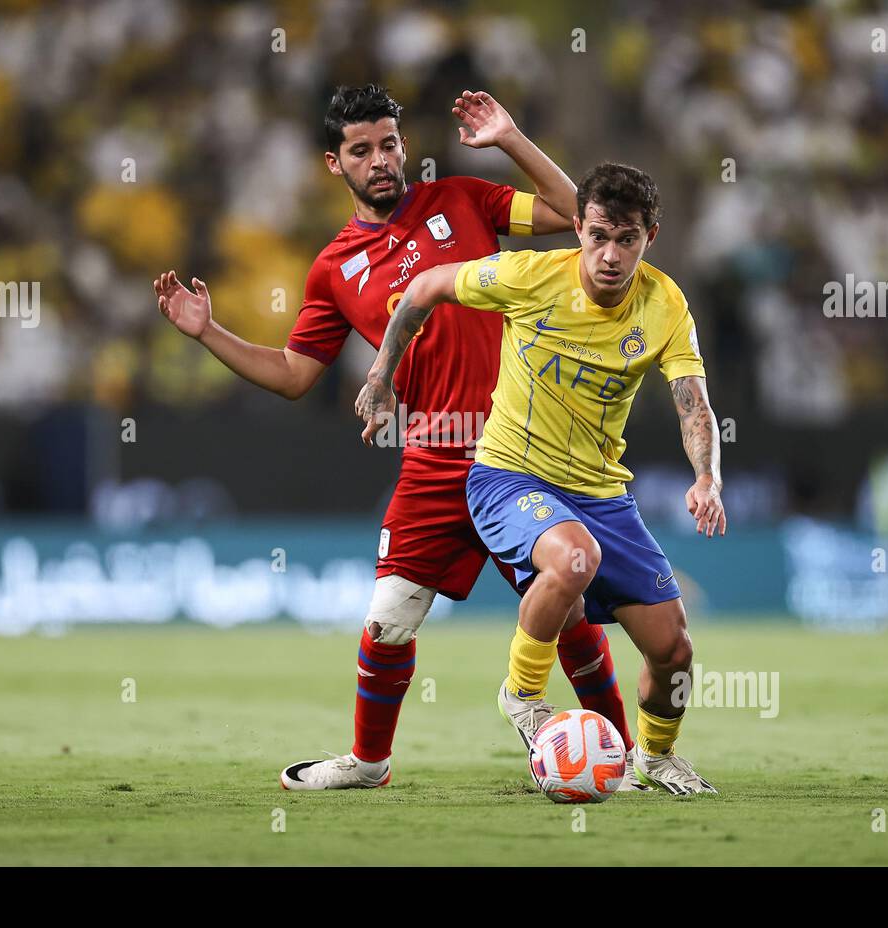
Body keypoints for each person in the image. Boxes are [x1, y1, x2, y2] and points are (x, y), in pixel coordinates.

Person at [154, 86, 633, 790]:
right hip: (433, 457)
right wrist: (208, 333)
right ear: (333, 163)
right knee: (385, 625)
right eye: (361, 150)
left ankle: (619, 750)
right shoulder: (333, 269)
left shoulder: (463, 200)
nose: (380, 161)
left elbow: (571, 213)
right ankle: (370, 763)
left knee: (564, 612)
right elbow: (293, 375)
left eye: (389, 144)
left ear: (404, 146)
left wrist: (509, 138)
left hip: (515, 450)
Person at [356, 162, 724, 794]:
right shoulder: (529, 276)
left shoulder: (665, 304)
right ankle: (523, 695)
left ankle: (657, 758)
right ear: (577, 227)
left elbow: (694, 404)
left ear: (650, 237)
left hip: (602, 492)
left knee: (675, 652)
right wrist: (381, 374)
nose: (610, 255)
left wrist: (707, 478)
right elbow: (425, 289)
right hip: (508, 476)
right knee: (575, 559)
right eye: (599, 235)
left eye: (627, 239)